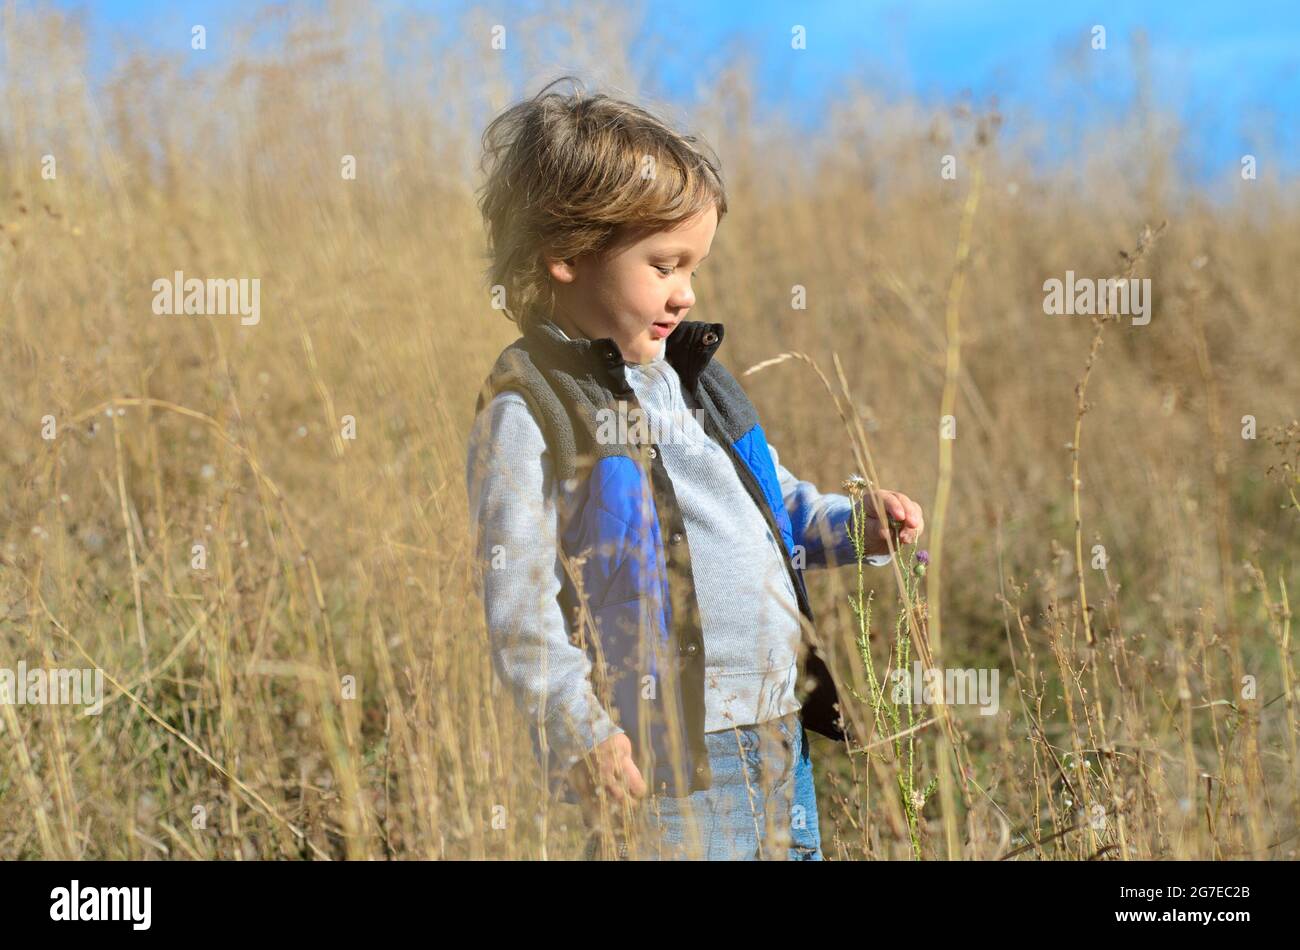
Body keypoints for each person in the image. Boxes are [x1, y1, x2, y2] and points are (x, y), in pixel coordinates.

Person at [465, 76, 923, 860]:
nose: (686, 293)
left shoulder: (699, 380)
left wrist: (854, 528)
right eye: (664, 265)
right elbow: (516, 597)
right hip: (664, 761)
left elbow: (773, 505)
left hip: (778, 731)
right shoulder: (531, 406)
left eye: (692, 268)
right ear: (568, 255)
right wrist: (578, 729)